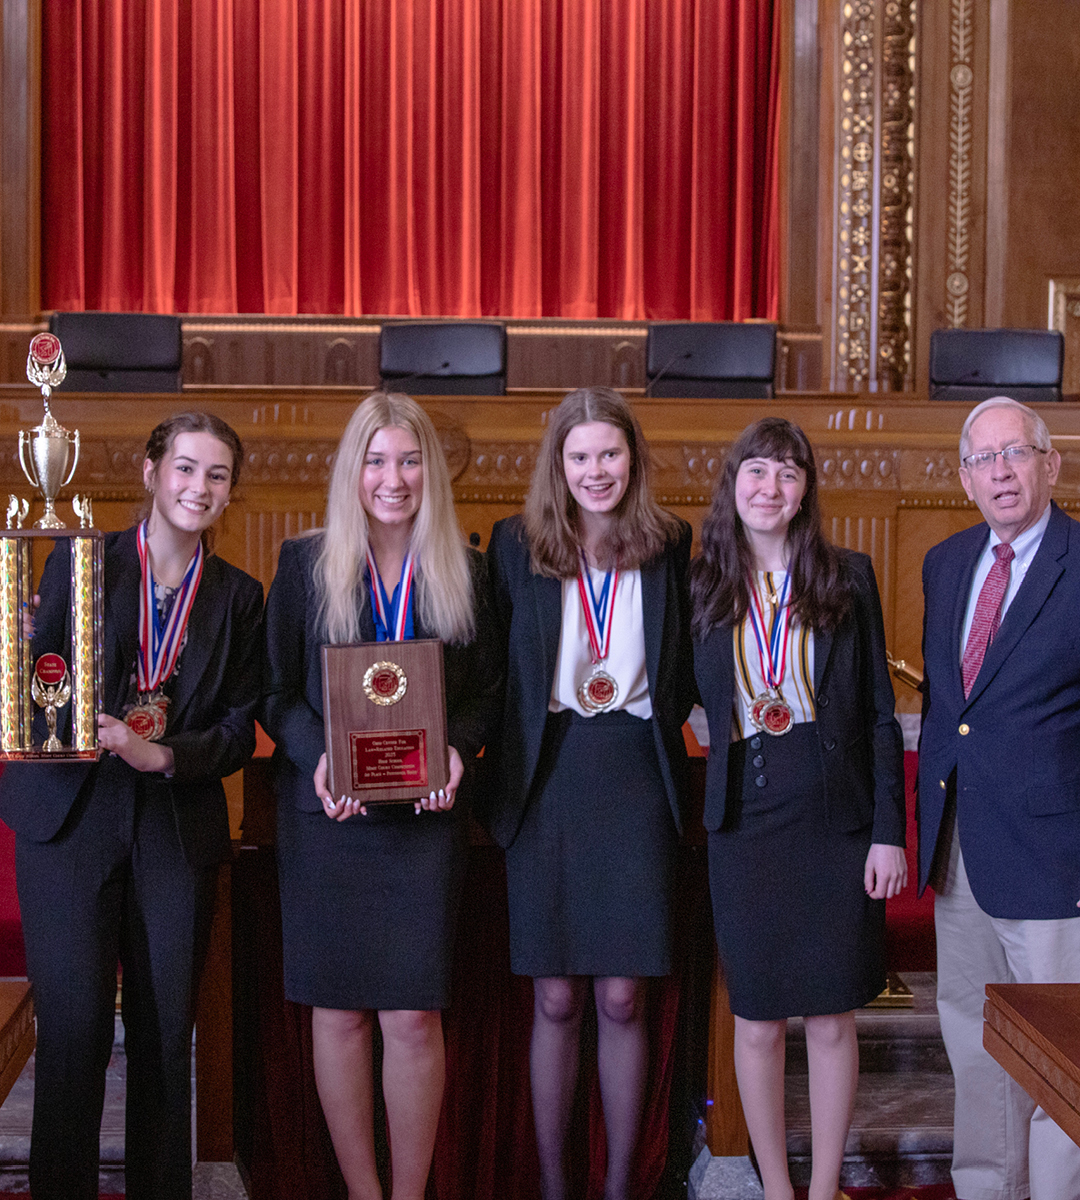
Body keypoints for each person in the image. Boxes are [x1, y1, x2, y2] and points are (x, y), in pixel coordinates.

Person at [0, 412, 263, 1200]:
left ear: (229, 492)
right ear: (151, 472)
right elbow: (35, 687)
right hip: (69, 819)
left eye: (216, 475)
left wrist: (163, 753)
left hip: (174, 826)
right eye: (185, 468)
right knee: (75, 1033)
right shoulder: (81, 562)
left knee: (162, 1039)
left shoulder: (240, 598)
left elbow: (238, 731)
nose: (198, 487)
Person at [262, 392, 499, 1200]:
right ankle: (363, 1194)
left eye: (407, 460)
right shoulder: (304, 565)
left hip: (424, 828)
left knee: (410, 1017)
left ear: (428, 468)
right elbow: (275, 693)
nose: (392, 478)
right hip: (331, 823)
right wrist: (316, 756)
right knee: (339, 1015)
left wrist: (460, 751)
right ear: (351, 470)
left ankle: (408, 1195)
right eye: (375, 460)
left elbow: (487, 693)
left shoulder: (466, 570)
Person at [484, 386, 693, 1200]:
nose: (596, 471)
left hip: (635, 773)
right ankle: (552, 1184)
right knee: (559, 995)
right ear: (557, 465)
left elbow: (682, 665)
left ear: (632, 459)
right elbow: (495, 670)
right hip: (549, 774)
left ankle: (619, 1189)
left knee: (622, 994)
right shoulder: (515, 544)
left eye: (609, 454)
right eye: (579, 457)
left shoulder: (669, 544)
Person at [690, 417, 906, 1200]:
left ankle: (822, 1190)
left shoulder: (847, 575)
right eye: (756, 471)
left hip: (832, 815)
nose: (770, 488)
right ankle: (775, 1187)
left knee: (830, 1016)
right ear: (733, 483)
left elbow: (882, 715)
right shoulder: (702, 582)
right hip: (743, 816)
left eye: (787, 473)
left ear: (806, 488)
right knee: (755, 1017)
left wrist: (889, 833)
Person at [918, 396, 1080, 1200]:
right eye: (985, 459)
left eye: (1018, 453)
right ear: (965, 478)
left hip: (1053, 858)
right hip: (959, 850)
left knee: (1057, 1059)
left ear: (1052, 464)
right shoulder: (946, 564)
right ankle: (986, 1189)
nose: (1003, 472)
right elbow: (954, 715)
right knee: (975, 1048)